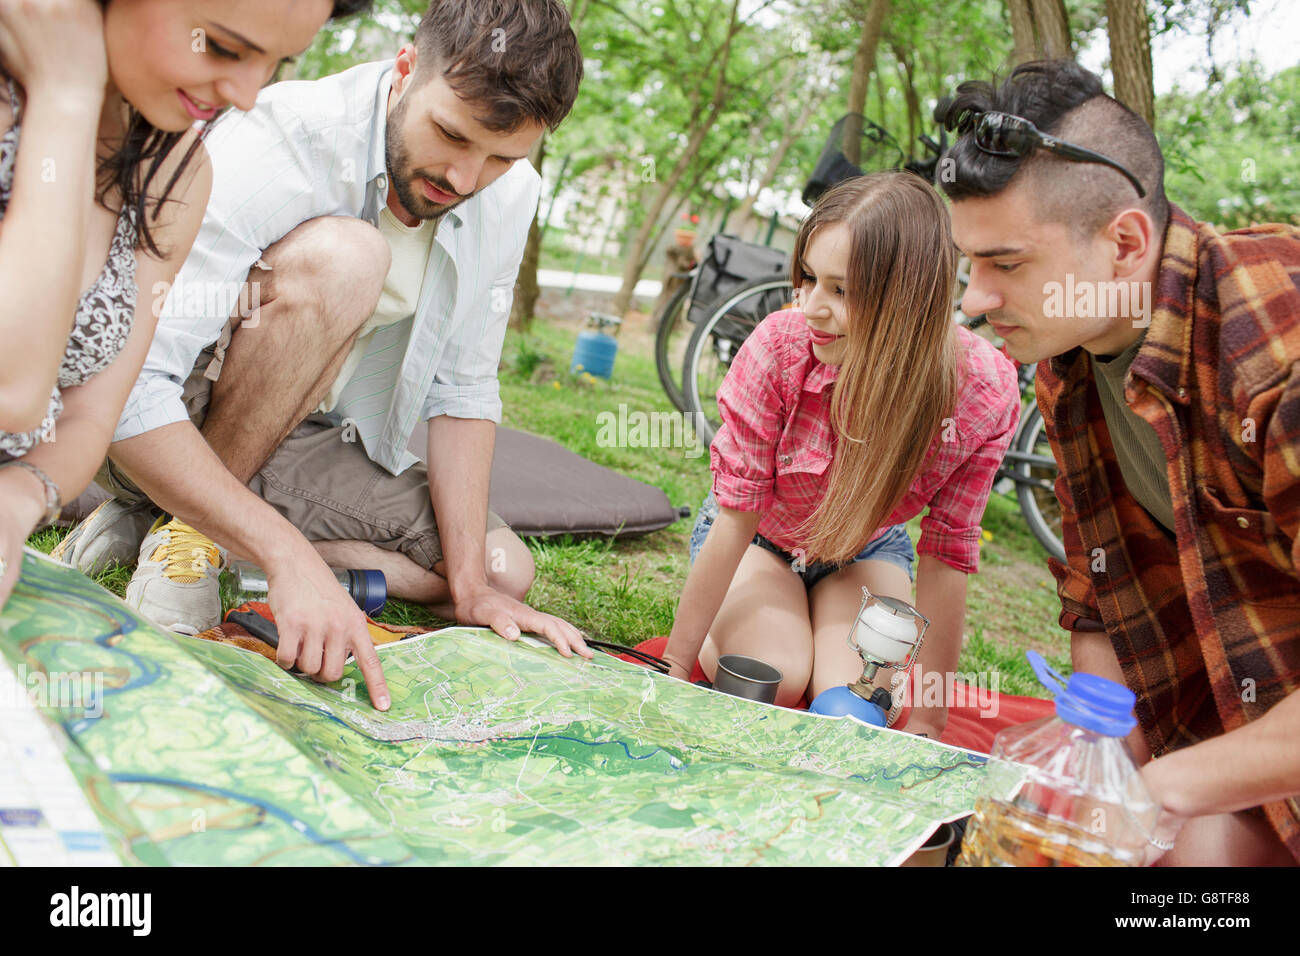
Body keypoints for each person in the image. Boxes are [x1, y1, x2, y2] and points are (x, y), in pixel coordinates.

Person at [54, 0, 591, 712]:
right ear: (405, 70)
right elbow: (129, 381)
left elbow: (462, 388)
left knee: (503, 568)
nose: (465, 179)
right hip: (161, 410)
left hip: (299, 428)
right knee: (349, 259)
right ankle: (187, 527)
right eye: (452, 136)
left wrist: (469, 591)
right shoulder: (285, 135)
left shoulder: (510, 192)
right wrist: (287, 551)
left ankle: (188, 532)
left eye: (500, 157)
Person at [939, 58, 1300, 865]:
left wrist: (1152, 792)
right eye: (971, 264)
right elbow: (1100, 595)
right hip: (1226, 723)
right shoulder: (1068, 366)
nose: (973, 301)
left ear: (1127, 242)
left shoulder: (1277, 343)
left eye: (1007, 264)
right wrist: (1094, 766)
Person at [0, 0, 360, 607]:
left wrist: (24, 494)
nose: (248, 96)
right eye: (222, 48)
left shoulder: (175, 170)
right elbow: (13, 388)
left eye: (276, 62)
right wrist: (65, 98)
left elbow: (92, 409)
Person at [662, 172, 1021, 739]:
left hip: (865, 550)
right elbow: (739, 513)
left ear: (911, 299)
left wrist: (928, 719)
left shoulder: (982, 391)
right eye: (807, 279)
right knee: (773, 677)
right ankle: (760, 621)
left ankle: (814, 624)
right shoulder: (779, 349)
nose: (810, 307)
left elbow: (948, 551)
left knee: (861, 704)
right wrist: (677, 664)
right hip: (762, 540)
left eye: (841, 290)